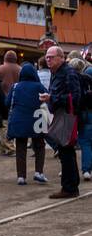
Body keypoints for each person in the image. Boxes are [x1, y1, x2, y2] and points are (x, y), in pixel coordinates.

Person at [43, 45, 82, 199]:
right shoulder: (57, 72)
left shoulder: (68, 73)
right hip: (61, 114)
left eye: (51, 57)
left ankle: (69, 187)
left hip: (67, 115)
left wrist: (53, 98)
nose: (48, 60)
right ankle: (71, 185)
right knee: (66, 151)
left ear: (61, 58)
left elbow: (75, 97)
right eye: (46, 57)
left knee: (66, 152)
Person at [7, 62, 49, 185]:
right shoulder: (39, 87)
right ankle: (38, 172)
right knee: (40, 146)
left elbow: (7, 102)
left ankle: (21, 176)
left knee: (20, 148)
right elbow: (47, 101)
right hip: (37, 119)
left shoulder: (15, 87)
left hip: (19, 120)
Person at [0, 50, 22, 156]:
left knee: (3, 125)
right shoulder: (21, 69)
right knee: (10, 124)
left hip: (2, 101)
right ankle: (3, 148)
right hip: (17, 101)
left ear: (5, 58)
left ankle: (9, 148)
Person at [71, 57, 92, 181]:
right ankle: (87, 168)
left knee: (84, 142)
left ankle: (86, 170)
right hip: (91, 111)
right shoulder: (88, 78)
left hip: (81, 112)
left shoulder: (74, 79)